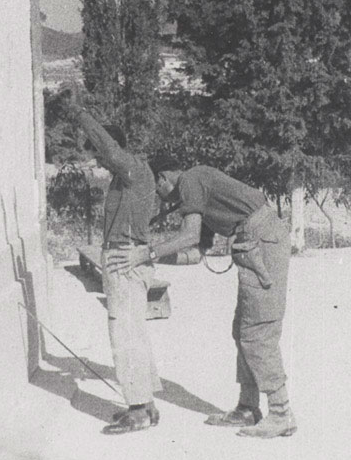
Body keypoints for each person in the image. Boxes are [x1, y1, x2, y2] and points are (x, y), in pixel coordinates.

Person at [107, 157, 296, 439]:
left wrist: (147, 253)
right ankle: (247, 407)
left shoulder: (190, 180)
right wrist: (146, 260)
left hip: (261, 243)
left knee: (257, 331)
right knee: (242, 329)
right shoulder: (199, 196)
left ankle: (281, 413)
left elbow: (189, 234)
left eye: (156, 190)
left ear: (162, 178)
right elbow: (196, 253)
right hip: (254, 243)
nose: (160, 199)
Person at [64, 99, 161, 434]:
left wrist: (78, 112)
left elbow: (108, 146)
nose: (99, 161)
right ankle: (146, 404)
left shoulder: (133, 170)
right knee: (135, 332)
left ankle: (137, 411)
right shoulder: (130, 178)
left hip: (123, 261)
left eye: (100, 154)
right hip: (126, 258)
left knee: (124, 334)